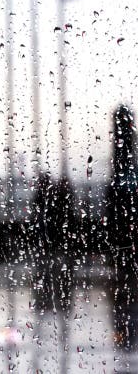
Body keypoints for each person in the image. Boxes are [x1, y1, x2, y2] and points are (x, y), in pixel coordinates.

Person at [106, 105, 138, 359]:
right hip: (127, 232)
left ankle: (125, 284)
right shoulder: (128, 178)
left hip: (122, 234)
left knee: (124, 270)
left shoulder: (120, 180)